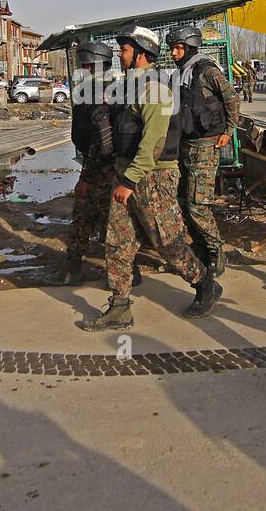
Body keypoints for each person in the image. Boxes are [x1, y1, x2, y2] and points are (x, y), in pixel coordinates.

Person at [80, 24, 221, 330]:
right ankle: (120, 306)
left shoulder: (155, 89)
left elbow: (154, 143)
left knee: (166, 241)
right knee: (117, 241)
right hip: (126, 174)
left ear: (142, 54)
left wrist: (129, 182)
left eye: (126, 49)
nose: (120, 54)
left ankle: (204, 283)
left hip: (152, 177)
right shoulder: (129, 86)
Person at [167, 26, 239, 276]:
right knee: (186, 202)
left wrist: (228, 131)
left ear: (190, 48)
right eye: (172, 49)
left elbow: (232, 98)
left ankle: (216, 250)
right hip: (186, 145)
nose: (174, 53)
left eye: (178, 48)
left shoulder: (206, 70)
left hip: (206, 145)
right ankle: (200, 248)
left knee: (199, 204)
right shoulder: (177, 75)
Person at [58, 40, 118, 284]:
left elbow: (102, 141)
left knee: (106, 222)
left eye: (86, 65)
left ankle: (123, 274)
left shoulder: (104, 92)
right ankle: (74, 266)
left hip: (103, 168)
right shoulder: (92, 89)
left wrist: (86, 176)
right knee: (91, 219)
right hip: (96, 165)